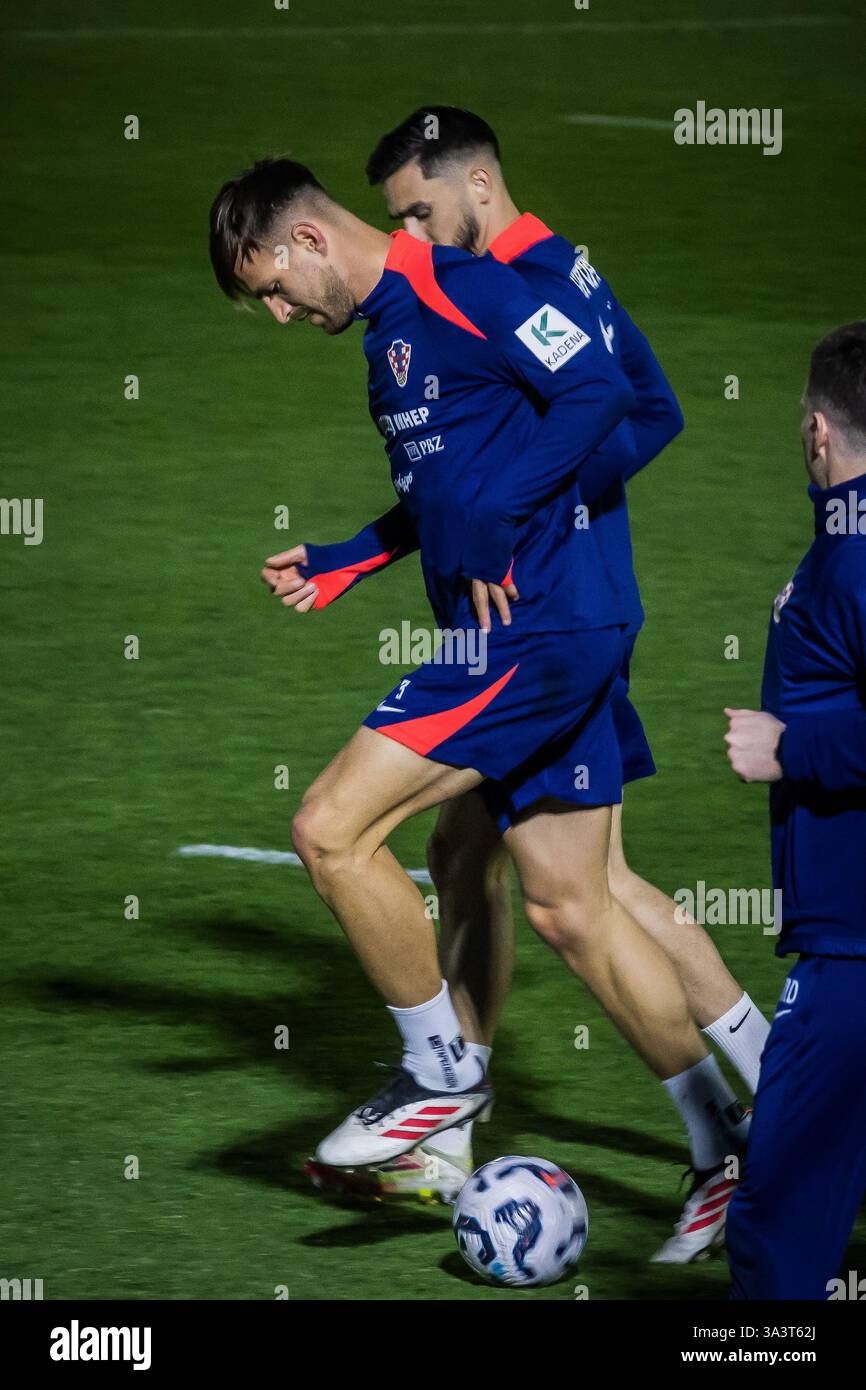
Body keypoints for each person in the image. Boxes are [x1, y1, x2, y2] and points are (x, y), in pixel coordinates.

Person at [209, 155, 750, 1264]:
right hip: (531, 629)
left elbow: (606, 391)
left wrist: (510, 514)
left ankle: (439, 1081)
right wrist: (355, 554)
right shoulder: (384, 340)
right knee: (557, 897)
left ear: (308, 241)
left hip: (530, 632)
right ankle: (726, 1142)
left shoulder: (466, 287)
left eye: (268, 284)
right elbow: (444, 486)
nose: (273, 311)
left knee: (329, 827)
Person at [724, 322, 866, 1298]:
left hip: (853, 961)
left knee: (772, 1227)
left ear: (815, 431)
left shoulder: (853, 560)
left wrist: (789, 749)